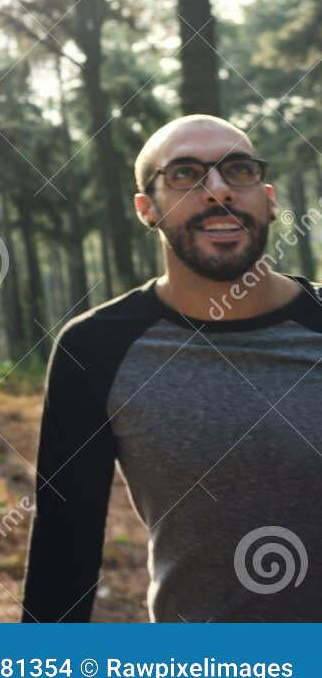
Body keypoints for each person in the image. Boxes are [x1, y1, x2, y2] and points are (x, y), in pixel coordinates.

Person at [22, 115, 322, 622]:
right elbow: (63, 554)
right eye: (185, 175)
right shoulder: (96, 348)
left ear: (268, 199)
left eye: (238, 170)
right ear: (147, 209)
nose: (218, 191)